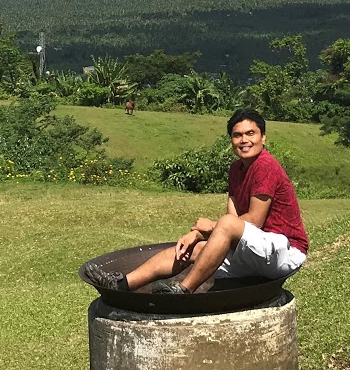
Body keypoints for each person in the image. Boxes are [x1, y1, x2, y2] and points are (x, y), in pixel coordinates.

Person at [85, 109, 307, 295]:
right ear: (231, 139)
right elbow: (234, 221)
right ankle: (122, 284)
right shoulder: (236, 170)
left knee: (225, 223)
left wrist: (208, 227)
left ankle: (183, 290)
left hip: (284, 251)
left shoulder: (265, 165)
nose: (244, 140)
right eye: (237, 135)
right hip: (255, 252)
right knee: (189, 249)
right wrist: (198, 236)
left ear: (263, 137)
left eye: (251, 133)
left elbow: (253, 221)